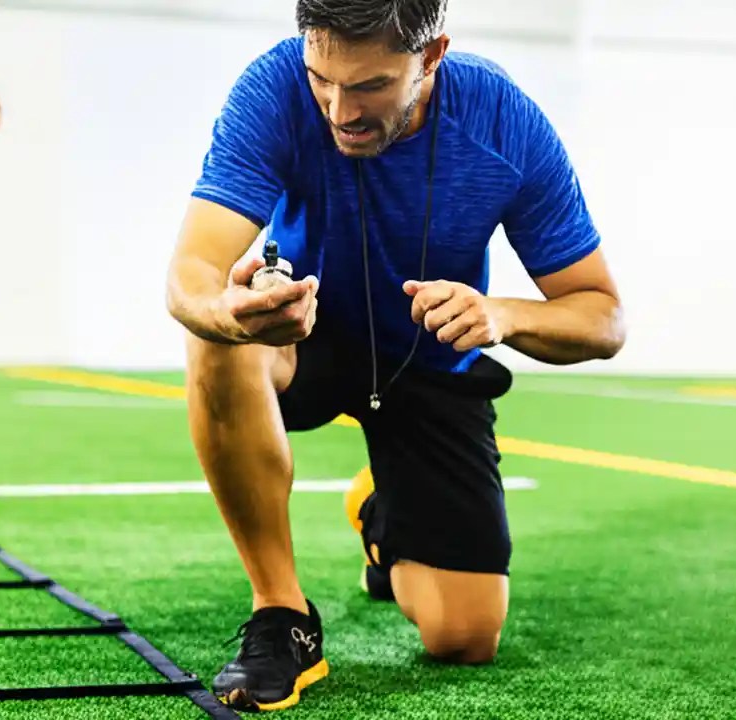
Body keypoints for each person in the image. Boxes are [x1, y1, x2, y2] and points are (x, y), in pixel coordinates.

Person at [165, 0, 626, 711]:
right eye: (324, 78)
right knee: (220, 338)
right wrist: (231, 311)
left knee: (463, 636)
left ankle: (382, 517)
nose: (339, 109)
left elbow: (602, 317)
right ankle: (281, 615)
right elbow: (190, 273)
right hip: (304, 340)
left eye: (371, 86)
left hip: (431, 358)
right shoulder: (275, 88)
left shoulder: (503, 121)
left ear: (432, 55)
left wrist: (502, 315)